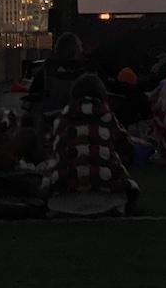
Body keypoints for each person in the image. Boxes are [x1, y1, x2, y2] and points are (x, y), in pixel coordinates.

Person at [48, 73, 140, 216]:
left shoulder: (62, 118)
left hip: (62, 201)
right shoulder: (107, 116)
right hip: (107, 201)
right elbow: (127, 147)